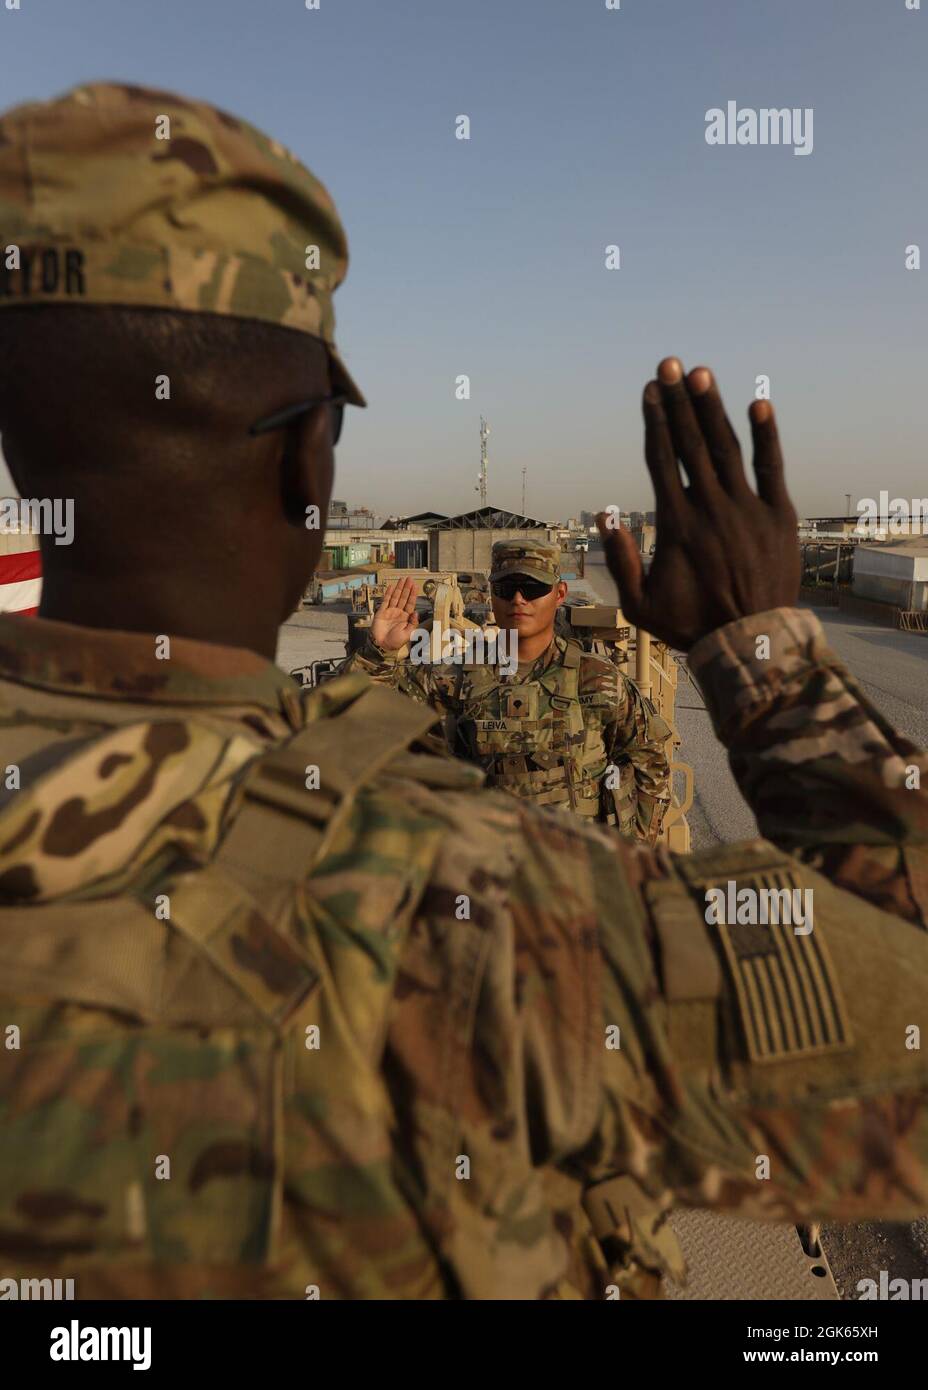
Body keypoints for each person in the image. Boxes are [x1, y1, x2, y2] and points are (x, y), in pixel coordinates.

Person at [0, 81, 926, 1301]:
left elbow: (639, 760)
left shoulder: (550, 718)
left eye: (531, 588)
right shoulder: (503, 916)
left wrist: (628, 822)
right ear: (306, 458)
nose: (514, 599)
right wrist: (763, 651)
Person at [341, 538, 672, 841]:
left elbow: (649, 764)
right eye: (506, 587)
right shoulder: (453, 678)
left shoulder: (598, 681)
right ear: (490, 594)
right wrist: (378, 652)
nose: (518, 599)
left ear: (559, 594)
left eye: (532, 588)